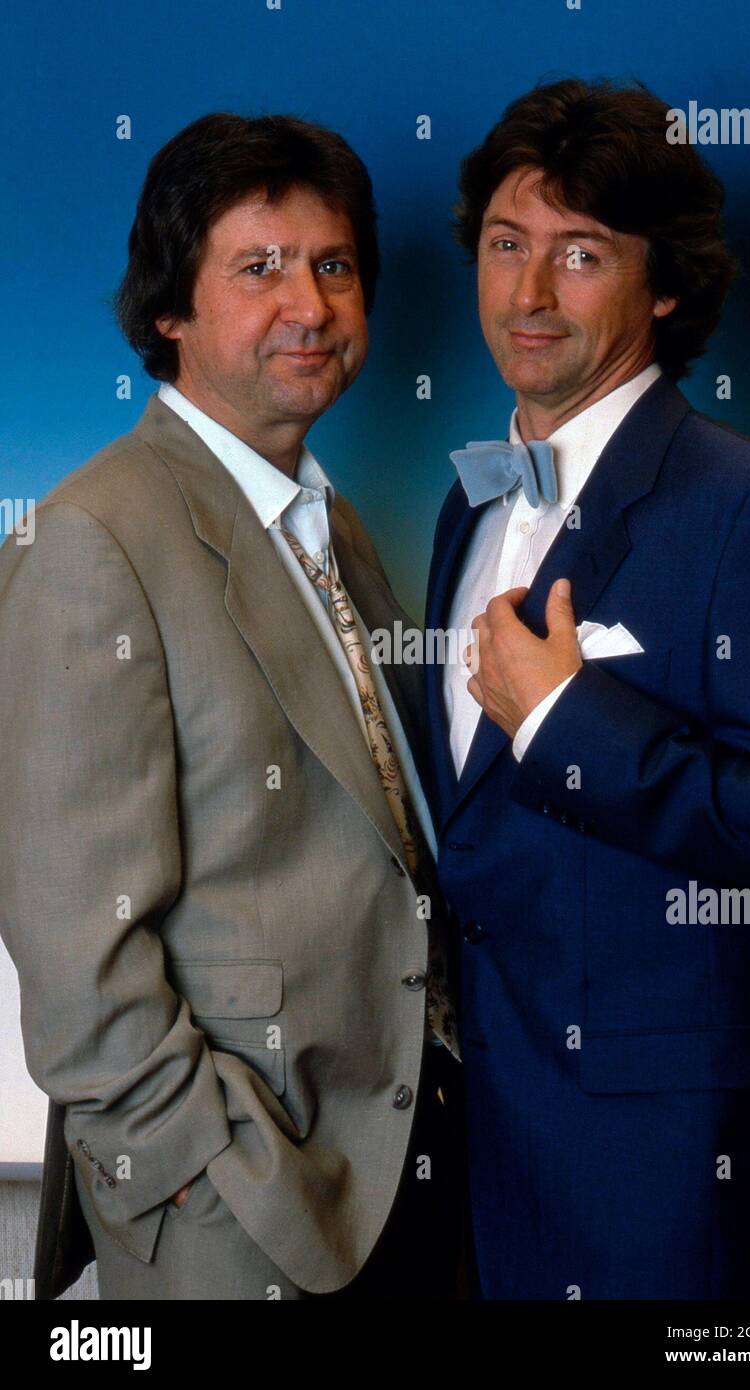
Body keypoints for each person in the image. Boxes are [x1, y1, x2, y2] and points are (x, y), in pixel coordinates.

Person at [0, 111, 463, 1301]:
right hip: (240, 1209)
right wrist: (209, 1172)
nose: (308, 303)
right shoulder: (94, 541)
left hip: (400, 1160)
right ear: (169, 308)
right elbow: (74, 956)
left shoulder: (333, 523)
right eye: (257, 268)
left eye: (334, 264)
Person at [423, 78, 750, 1300]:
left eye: (581, 253)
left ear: (665, 286)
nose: (528, 293)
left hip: (666, 1185)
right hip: (472, 1157)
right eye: (507, 246)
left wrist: (569, 723)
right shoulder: (469, 501)